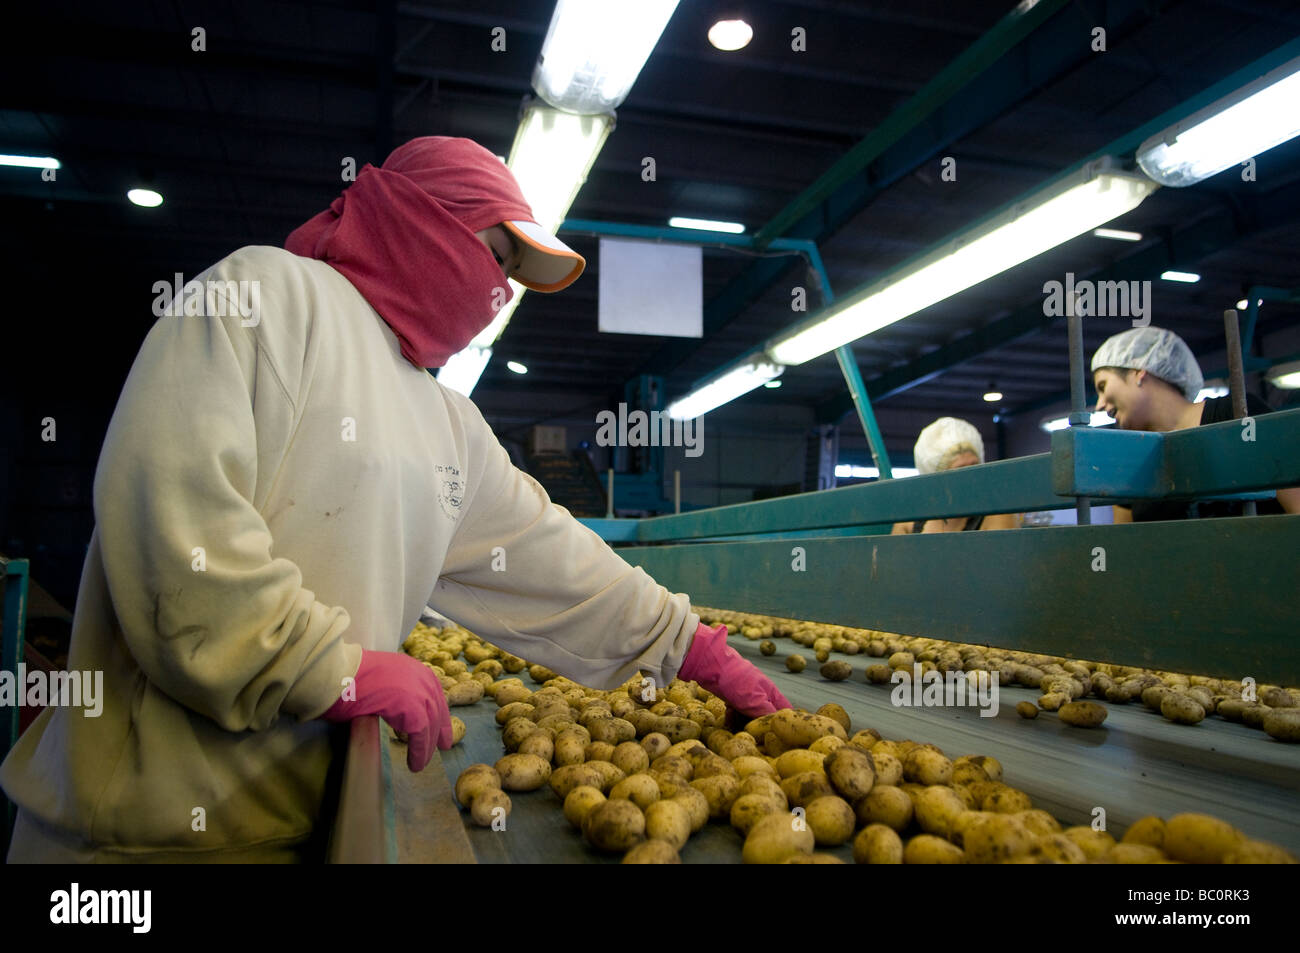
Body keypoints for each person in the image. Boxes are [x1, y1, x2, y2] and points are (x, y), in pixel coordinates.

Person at [0, 137, 788, 862]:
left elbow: (550, 555)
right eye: (496, 254)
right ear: (419, 222)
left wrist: (685, 643)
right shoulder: (266, 294)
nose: (499, 291)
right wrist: (321, 664)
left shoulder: (444, 420)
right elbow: (170, 514)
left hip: (295, 822)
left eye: (513, 277)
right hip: (128, 838)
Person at [1091, 326, 1300, 521]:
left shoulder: (1235, 414)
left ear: (1138, 371)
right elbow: (1125, 544)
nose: (1099, 405)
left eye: (1103, 386)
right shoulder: (1131, 460)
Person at [890, 417, 1022, 534]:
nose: (971, 478)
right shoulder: (909, 522)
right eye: (960, 470)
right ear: (936, 480)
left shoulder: (997, 517)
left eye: (974, 466)